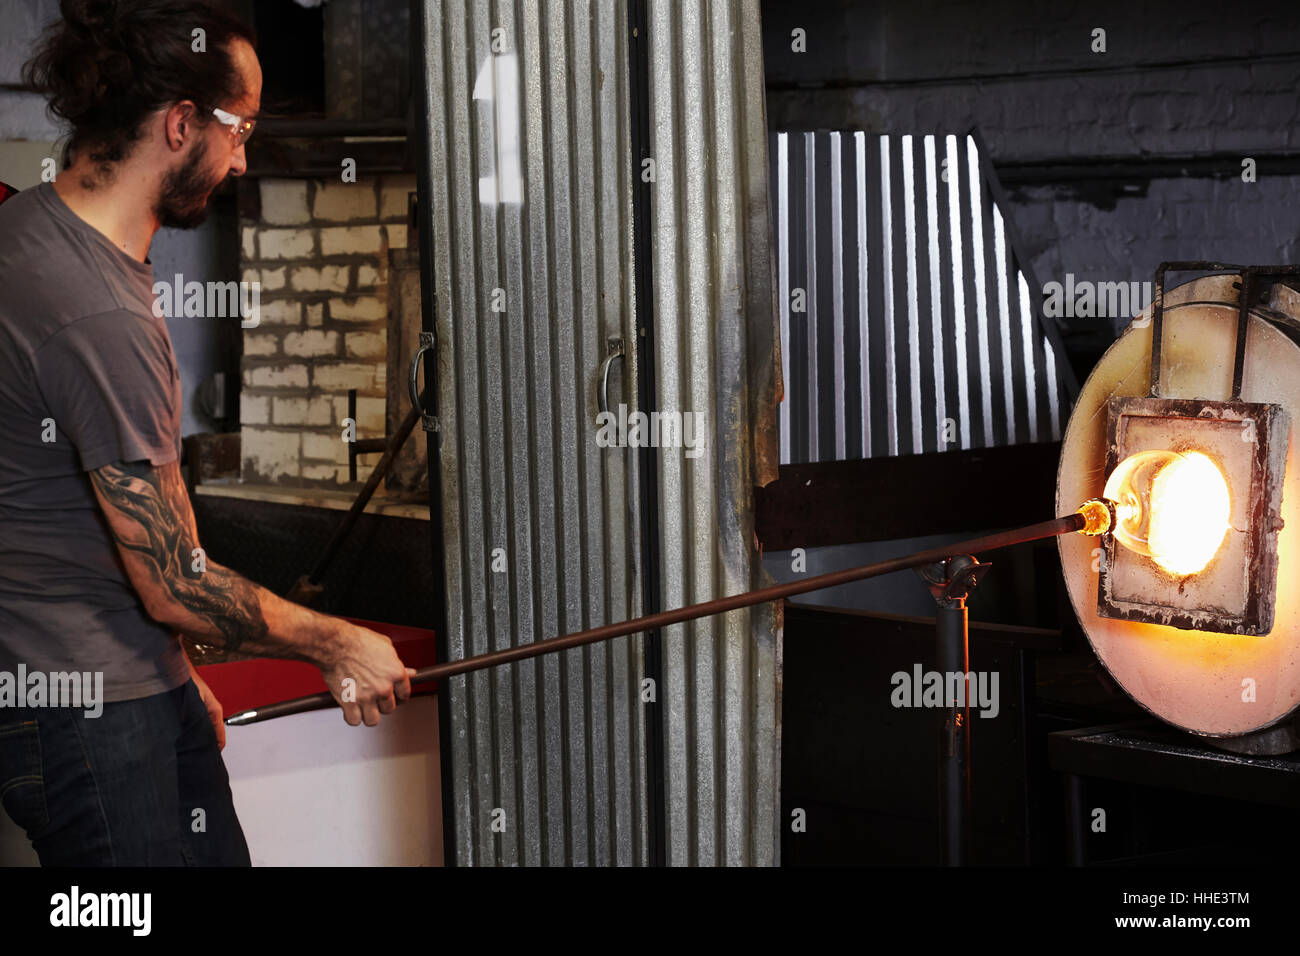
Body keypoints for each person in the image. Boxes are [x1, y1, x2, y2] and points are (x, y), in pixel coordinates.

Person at [0, 0, 414, 866]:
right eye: (240, 128)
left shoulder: (36, 232)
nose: (243, 156)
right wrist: (338, 642)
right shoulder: (95, 314)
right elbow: (174, 581)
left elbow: (129, 511)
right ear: (180, 123)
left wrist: (179, 668)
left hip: (120, 685)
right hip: (91, 716)